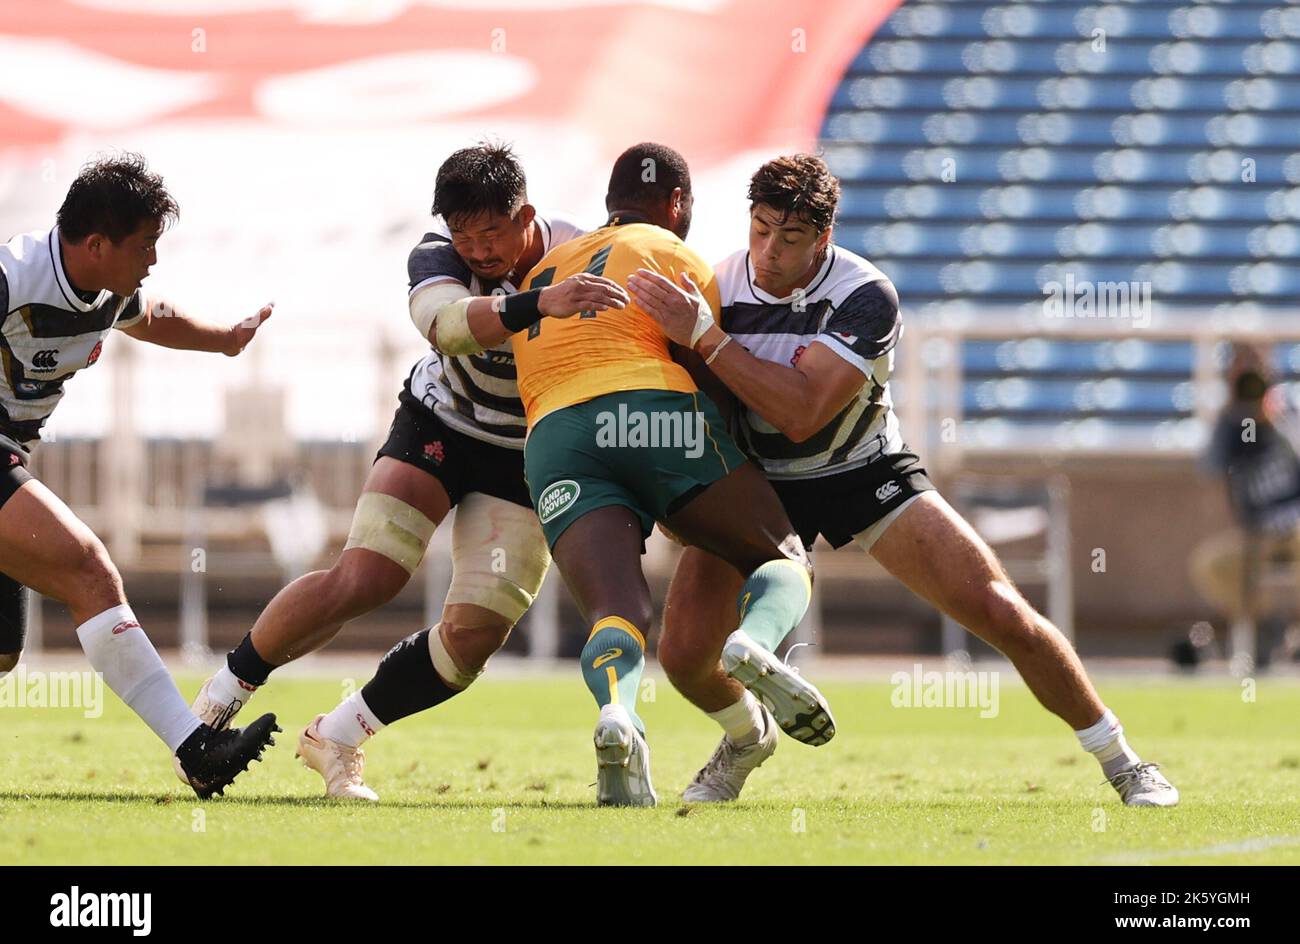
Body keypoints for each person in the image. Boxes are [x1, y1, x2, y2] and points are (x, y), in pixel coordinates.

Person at [628, 153, 1178, 807]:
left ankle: (1124, 761)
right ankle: (746, 737)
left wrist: (708, 339)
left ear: (823, 238)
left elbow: (803, 414)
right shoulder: (715, 288)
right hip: (758, 483)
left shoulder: (864, 294)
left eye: (791, 237)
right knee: (685, 656)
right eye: (760, 228)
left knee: (1003, 613)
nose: (770, 251)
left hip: (864, 471)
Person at [186, 143, 618, 800]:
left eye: (492, 232)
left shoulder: (585, 254)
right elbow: (445, 326)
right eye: (464, 234)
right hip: (441, 423)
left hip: (528, 454)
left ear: (526, 214)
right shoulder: (435, 254)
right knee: (366, 576)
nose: (476, 249)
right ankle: (213, 706)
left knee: (470, 644)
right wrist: (539, 305)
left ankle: (337, 735)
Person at [435, 143, 832, 808]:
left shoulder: (547, 271)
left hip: (555, 439)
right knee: (781, 555)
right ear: (677, 204)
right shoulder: (672, 252)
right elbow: (707, 365)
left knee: (614, 610)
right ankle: (754, 644)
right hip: (653, 413)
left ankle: (618, 713)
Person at [0, 152, 279, 799]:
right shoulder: (15, 278)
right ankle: (195, 747)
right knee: (88, 570)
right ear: (95, 244)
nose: (152, 259)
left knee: (3, 655)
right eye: (145, 245)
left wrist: (224, 340)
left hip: (12, 453)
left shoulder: (105, 287)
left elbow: (149, 315)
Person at [1192, 342, 1300, 669]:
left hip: (1296, 527)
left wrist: (1277, 420)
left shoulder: (1289, 407)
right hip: (1258, 537)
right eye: (1241, 371)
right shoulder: (1230, 422)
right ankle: (1268, 627)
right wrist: (1232, 417)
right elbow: (1209, 466)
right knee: (1211, 566)